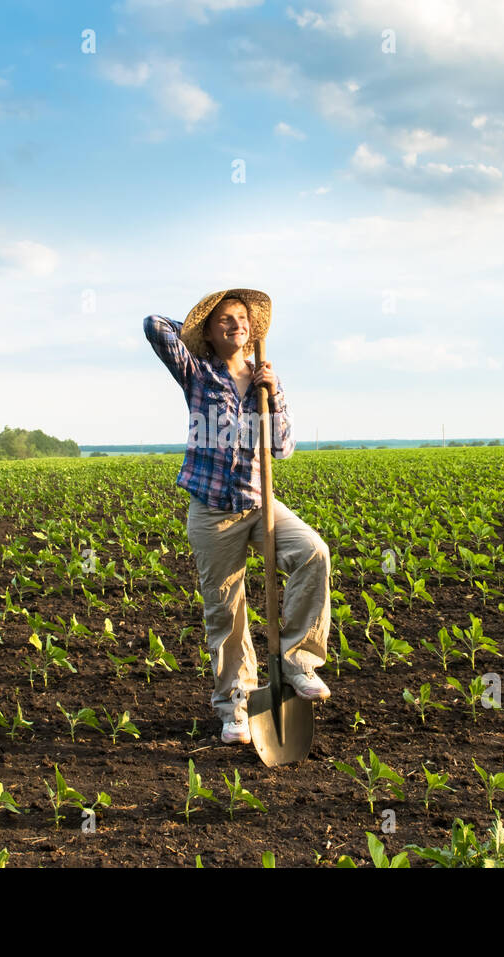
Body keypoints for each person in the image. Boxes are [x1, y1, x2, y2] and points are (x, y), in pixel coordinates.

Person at [143, 288, 331, 745]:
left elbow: (281, 448)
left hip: (258, 502)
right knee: (227, 612)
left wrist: (274, 391)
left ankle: (299, 661)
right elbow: (154, 325)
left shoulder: (266, 379)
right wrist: (195, 330)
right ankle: (236, 707)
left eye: (242, 318)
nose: (236, 324)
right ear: (209, 330)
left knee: (313, 552)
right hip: (212, 512)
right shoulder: (197, 373)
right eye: (224, 319)